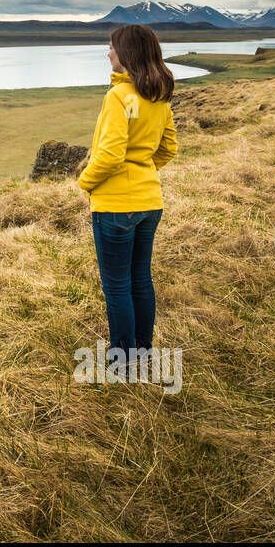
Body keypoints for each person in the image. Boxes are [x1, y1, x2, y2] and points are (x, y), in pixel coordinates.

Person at [77, 23, 178, 366]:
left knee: (117, 286)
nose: (108, 53)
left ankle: (122, 362)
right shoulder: (159, 96)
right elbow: (168, 149)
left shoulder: (119, 96)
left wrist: (85, 182)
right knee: (140, 280)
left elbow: (110, 155)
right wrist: (143, 172)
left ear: (126, 53)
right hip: (150, 204)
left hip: (116, 206)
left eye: (111, 47)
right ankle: (143, 352)